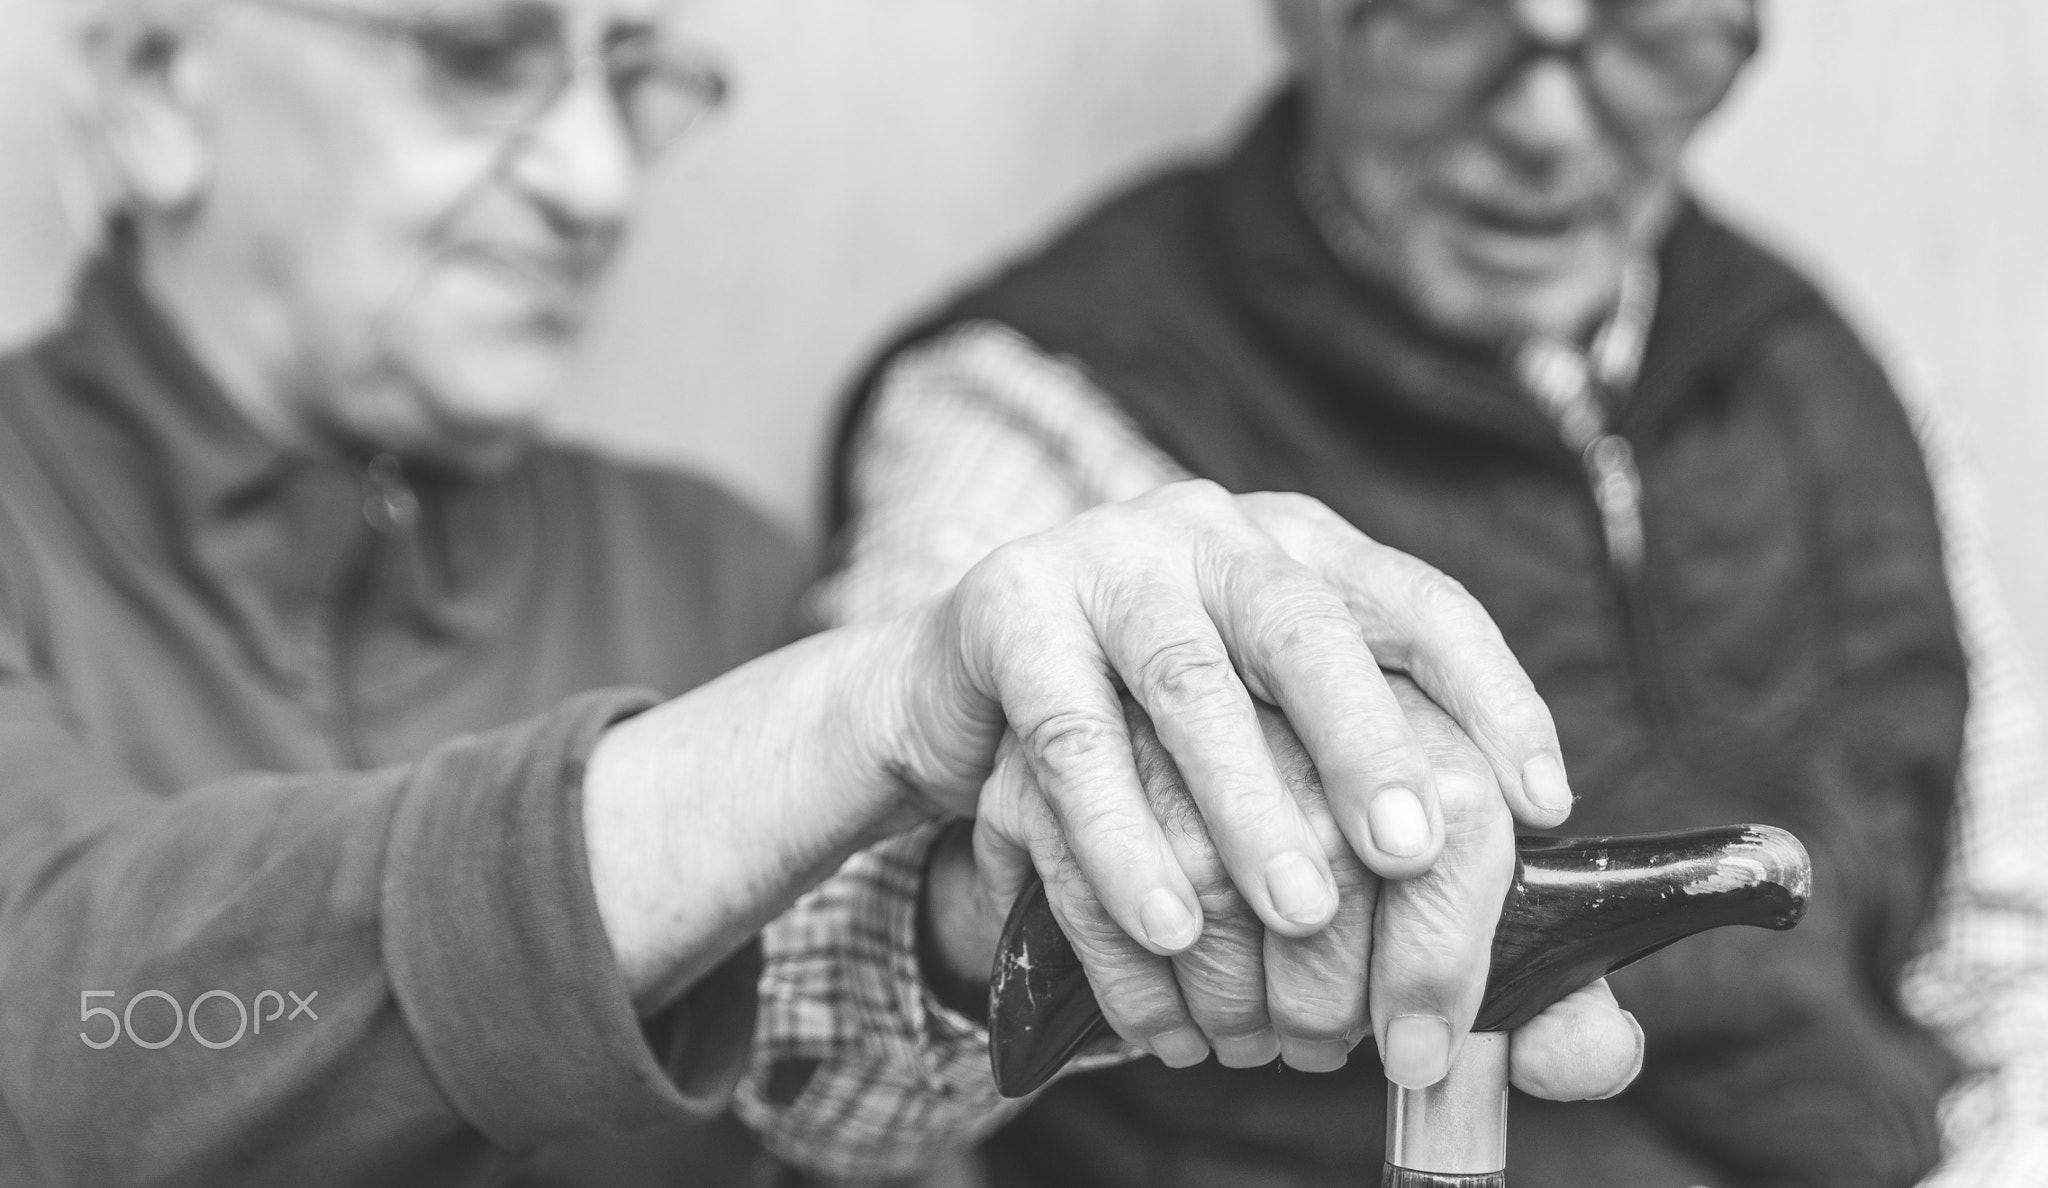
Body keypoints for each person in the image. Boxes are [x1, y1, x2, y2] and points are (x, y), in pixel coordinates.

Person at [0, 0, 1649, 1184]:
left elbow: (842, 1099)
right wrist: (863, 708)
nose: (595, 182)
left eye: (632, 77)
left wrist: (1016, 892)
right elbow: (72, 1034)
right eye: (478, 54)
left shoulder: (703, 561)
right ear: (154, 90)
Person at [824, 0, 2048, 1185]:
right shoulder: (1045, 404)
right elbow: (824, 1072)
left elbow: (2005, 962)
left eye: (1649, 32)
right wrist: (967, 920)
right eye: (1447, 19)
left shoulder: (1832, 380)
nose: (1547, 128)